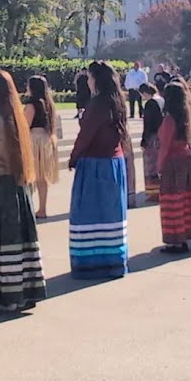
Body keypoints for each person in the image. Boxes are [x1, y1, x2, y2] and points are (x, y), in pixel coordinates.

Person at [0, 71, 48, 311]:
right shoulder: (18, 118)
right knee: (16, 240)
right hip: (18, 186)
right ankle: (21, 292)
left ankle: (1, 295)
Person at [68, 61, 129, 279]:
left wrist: (73, 157)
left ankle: (92, 264)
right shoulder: (118, 101)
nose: (88, 82)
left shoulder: (97, 104)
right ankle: (114, 261)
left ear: (96, 80)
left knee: (89, 214)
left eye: (90, 78)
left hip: (95, 163)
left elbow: (86, 134)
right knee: (110, 213)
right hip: (114, 162)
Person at [155, 81, 191, 253]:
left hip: (173, 163)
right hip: (186, 161)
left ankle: (174, 240)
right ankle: (183, 238)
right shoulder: (185, 116)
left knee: (171, 200)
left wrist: (159, 167)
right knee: (185, 200)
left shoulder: (169, 119)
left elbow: (165, 146)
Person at [24, 75, 60, 219]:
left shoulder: (31, 104)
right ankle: (42, 208)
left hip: (34, 140)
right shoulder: (49, 103)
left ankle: (28, 208)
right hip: (46, 140)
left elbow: (25, 125)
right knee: (42, 178)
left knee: (31, 176)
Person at [138, 83, 164, 203]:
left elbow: (147, 124)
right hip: (162, 134)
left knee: (151, 165)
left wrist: (144, 140)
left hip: (153, 137)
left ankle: (154, 192)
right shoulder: (161, 99)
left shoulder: (150, 103)